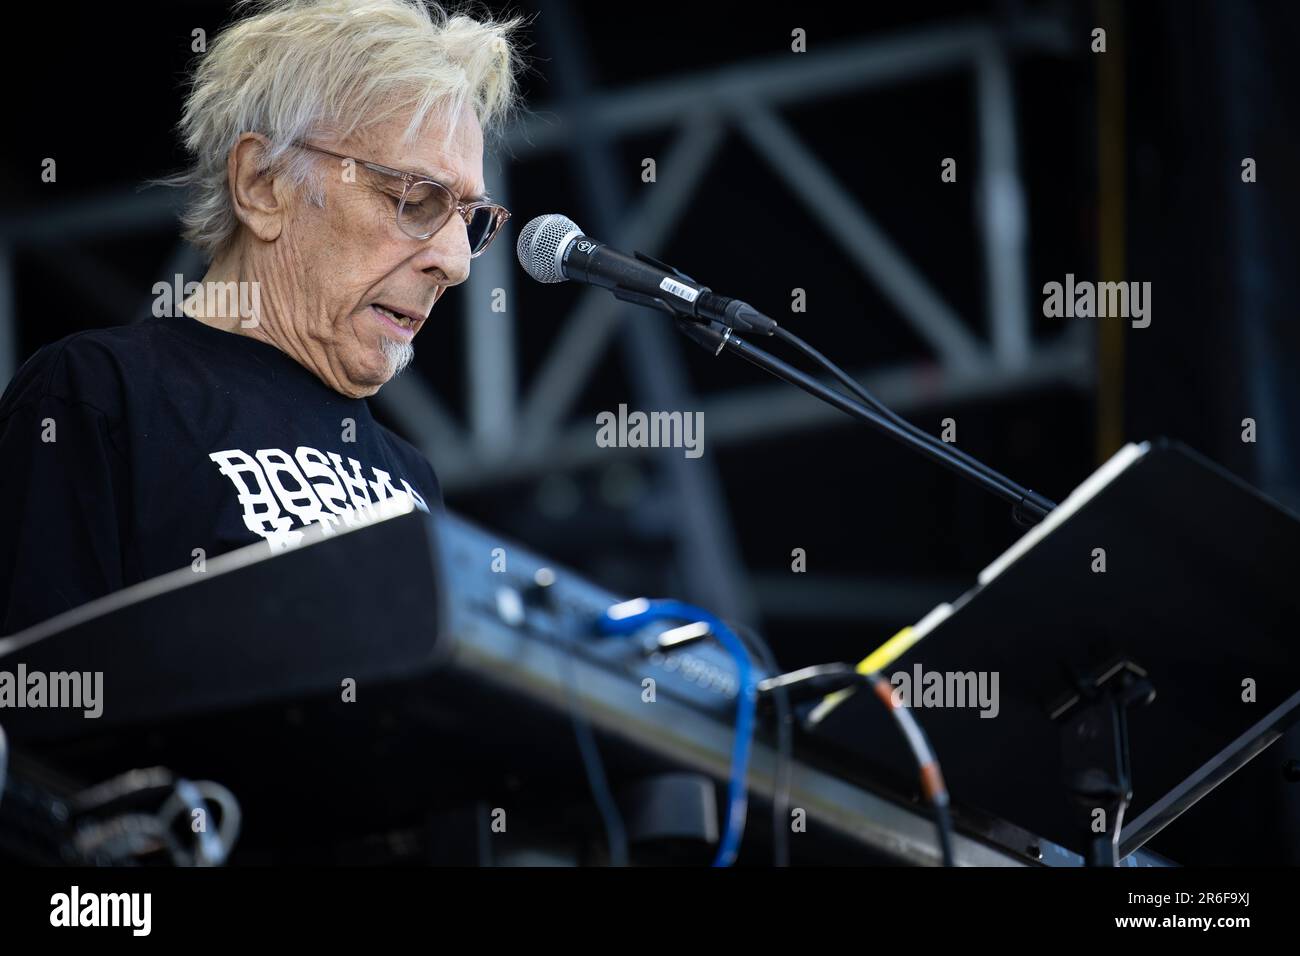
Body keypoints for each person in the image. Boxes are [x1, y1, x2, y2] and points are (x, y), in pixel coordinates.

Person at [0, 0, 525, 634]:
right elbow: (41, 708)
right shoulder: (95, 393)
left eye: (469, 218)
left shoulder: (411, 475)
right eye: (415, 200)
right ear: (262, 183)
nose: (456, 262)